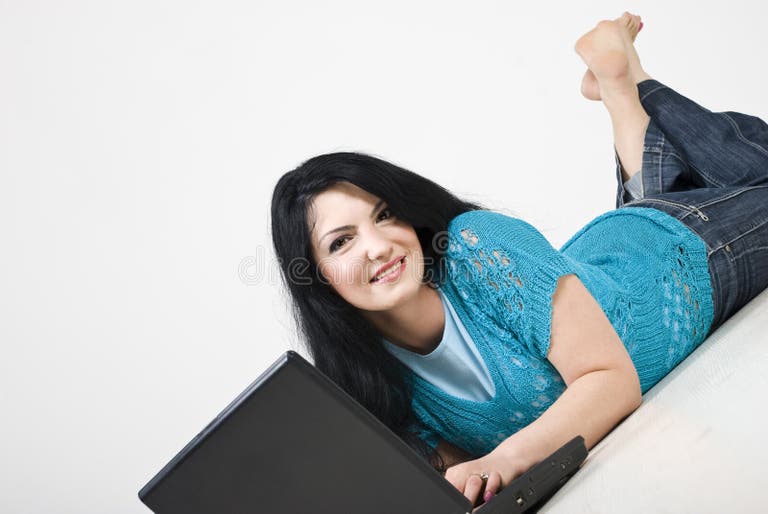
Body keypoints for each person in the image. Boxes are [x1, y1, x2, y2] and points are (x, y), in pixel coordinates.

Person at [269, 12, 768, 509]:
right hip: (605, 263)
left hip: (679, 256)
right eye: (341, 243)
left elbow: (611, 382)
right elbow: (466, 480)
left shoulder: (475, 246)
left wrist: (504, 459)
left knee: (744, 173)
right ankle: (617, 80)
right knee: (658, 193)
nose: (377, 246)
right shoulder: (374, 385)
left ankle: (631, 81)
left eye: (385, 215)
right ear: (315, 277)